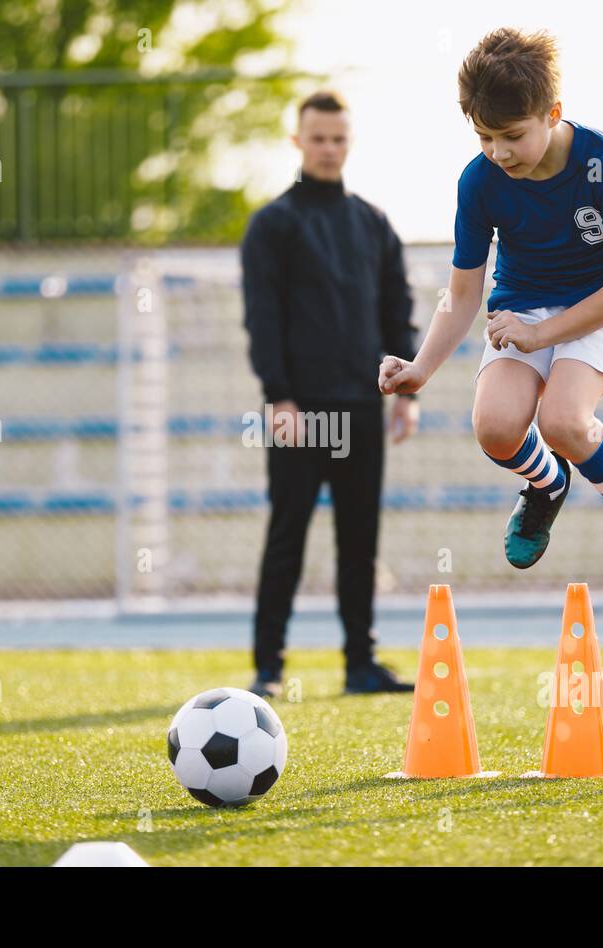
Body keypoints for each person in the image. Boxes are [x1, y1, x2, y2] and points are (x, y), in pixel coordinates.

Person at [378, 28, 603, 628]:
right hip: (523, 307)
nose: (499, 153)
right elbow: (462, 293)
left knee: (562, 420)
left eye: (511, 136)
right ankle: (547, 485)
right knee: (497, 430)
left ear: (552, 113)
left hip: (597, 307)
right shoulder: (478, 182)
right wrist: (419, 368)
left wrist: (546, 334)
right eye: (483, 137)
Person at [241, 90, 420, 698]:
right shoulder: (272, 226)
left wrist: (407, 391)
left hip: (362, 408)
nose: (328, 148)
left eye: (338, 139)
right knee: (287, 534)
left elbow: (398, 312)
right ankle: (268, 667)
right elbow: (262, 320)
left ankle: (360, 665)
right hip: (301, 413)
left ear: (350, 142)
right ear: (297, 141)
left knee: (360, 540)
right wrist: (279, 398)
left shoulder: (372, 224)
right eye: (317, 138)